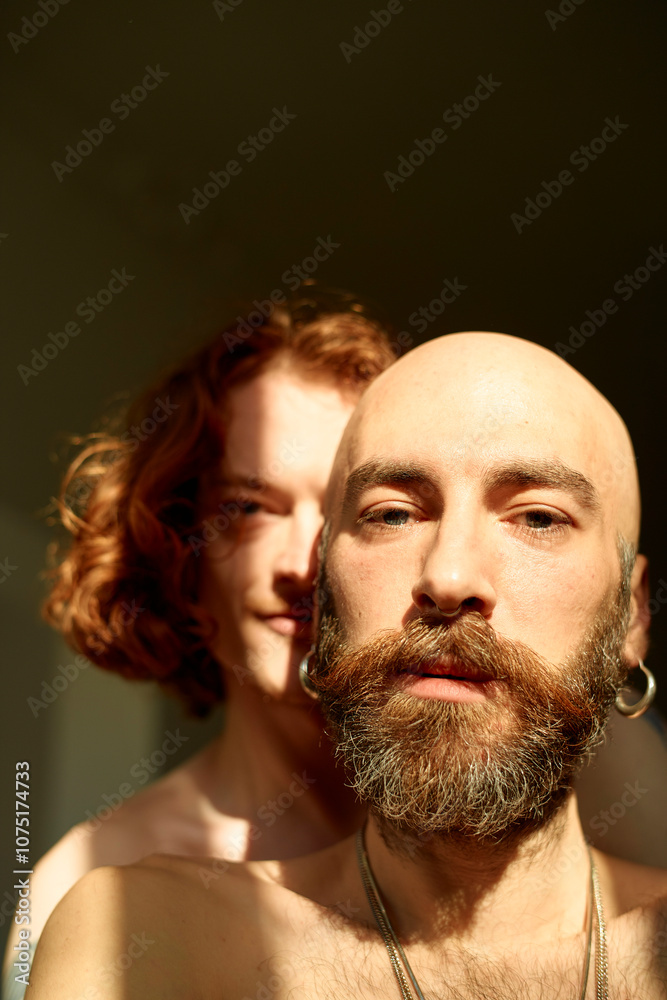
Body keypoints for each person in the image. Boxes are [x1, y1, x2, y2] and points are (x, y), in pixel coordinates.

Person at [26, 331, 667, 998]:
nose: (446, 575)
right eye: (390, 514)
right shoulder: (138, 923)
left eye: (536, 518)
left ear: (633, 613)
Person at [3, 286, 397, 998]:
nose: (299, 563)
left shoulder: (521, 819)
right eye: (246, 509)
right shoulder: (93, 877)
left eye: (356, 509)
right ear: (177, 551)